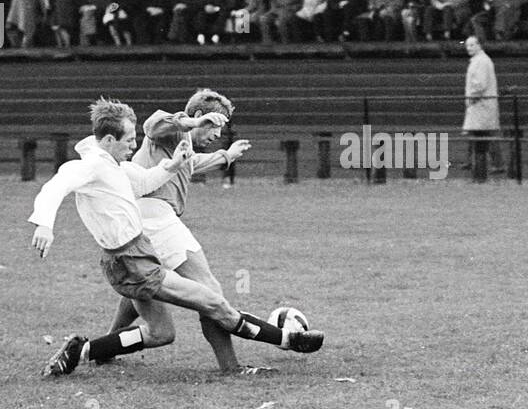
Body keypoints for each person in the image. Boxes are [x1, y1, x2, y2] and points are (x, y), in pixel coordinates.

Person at [31, 97, 323, 377]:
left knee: (162, 333)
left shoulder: (115, 165)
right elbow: (56, 186)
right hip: (136, 253)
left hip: (132, 255)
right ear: (109, 140)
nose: (135, 144)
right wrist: (44, 224)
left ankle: (84, 350)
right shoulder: (95, 164)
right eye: (129, 139)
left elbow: (146, 180)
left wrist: (176, 164)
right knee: (213, 300)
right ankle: (286, 341)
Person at [104, 89, 265, 374]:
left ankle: (104, 348)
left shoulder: (182, 148)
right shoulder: (172, 133)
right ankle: (231, 368)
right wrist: (191, 124)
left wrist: (226, 156)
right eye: (217, 126)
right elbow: (152, 124)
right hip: (157, 218)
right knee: (209, 291)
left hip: (139, 223)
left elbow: (193, 165)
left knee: (142, 291)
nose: (218, 134)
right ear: (202, 117)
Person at [463, 35, 505, 174]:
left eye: (472, 45)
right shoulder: (480, 60)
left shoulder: (481, 62)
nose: (469, 48)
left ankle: (494, 163)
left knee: (486, 134)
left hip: (481, 102)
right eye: (468, 45)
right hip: (480, 103)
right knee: (480, 132)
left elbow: (480, 84)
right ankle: (474, 160)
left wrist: (472, 98)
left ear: (479, 45)